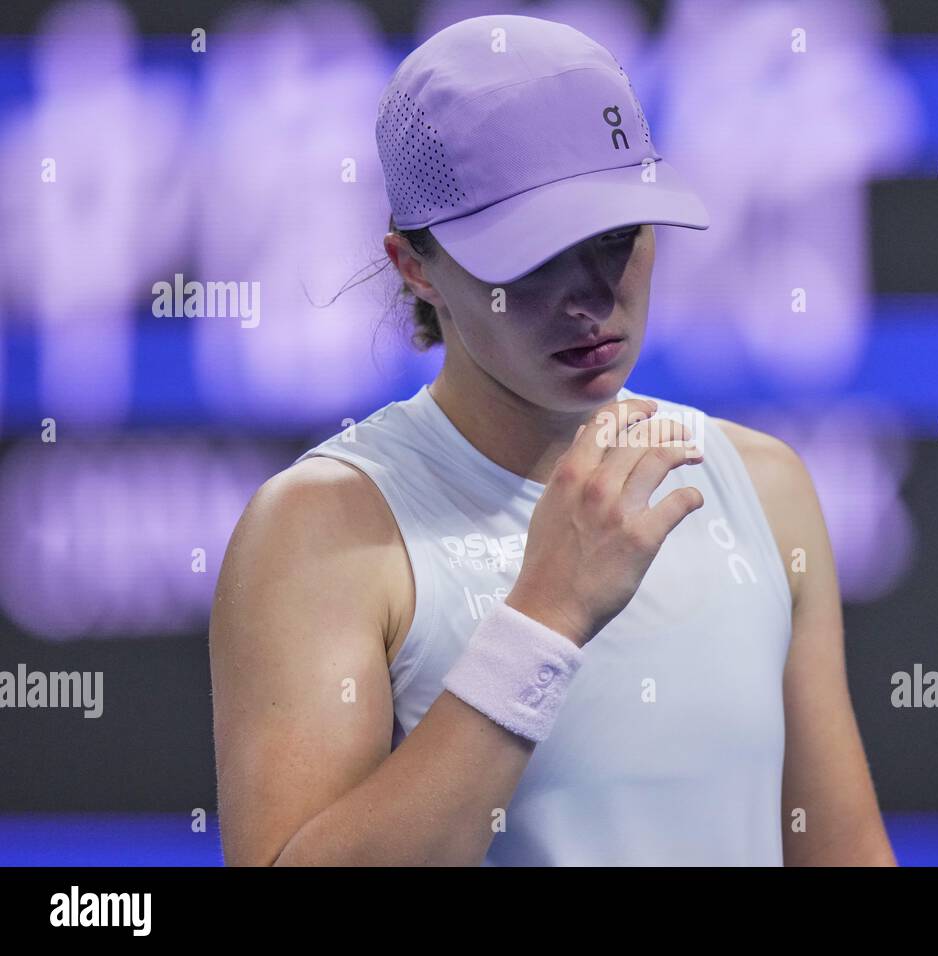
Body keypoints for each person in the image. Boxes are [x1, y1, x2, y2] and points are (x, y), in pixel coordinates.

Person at [209, 13, 894, 866]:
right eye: (532, 257)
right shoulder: (321, 529)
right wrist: (546, 619)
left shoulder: (765, 487)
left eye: (615, 237)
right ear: (415, 265)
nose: (593, 297)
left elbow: (841, 855)